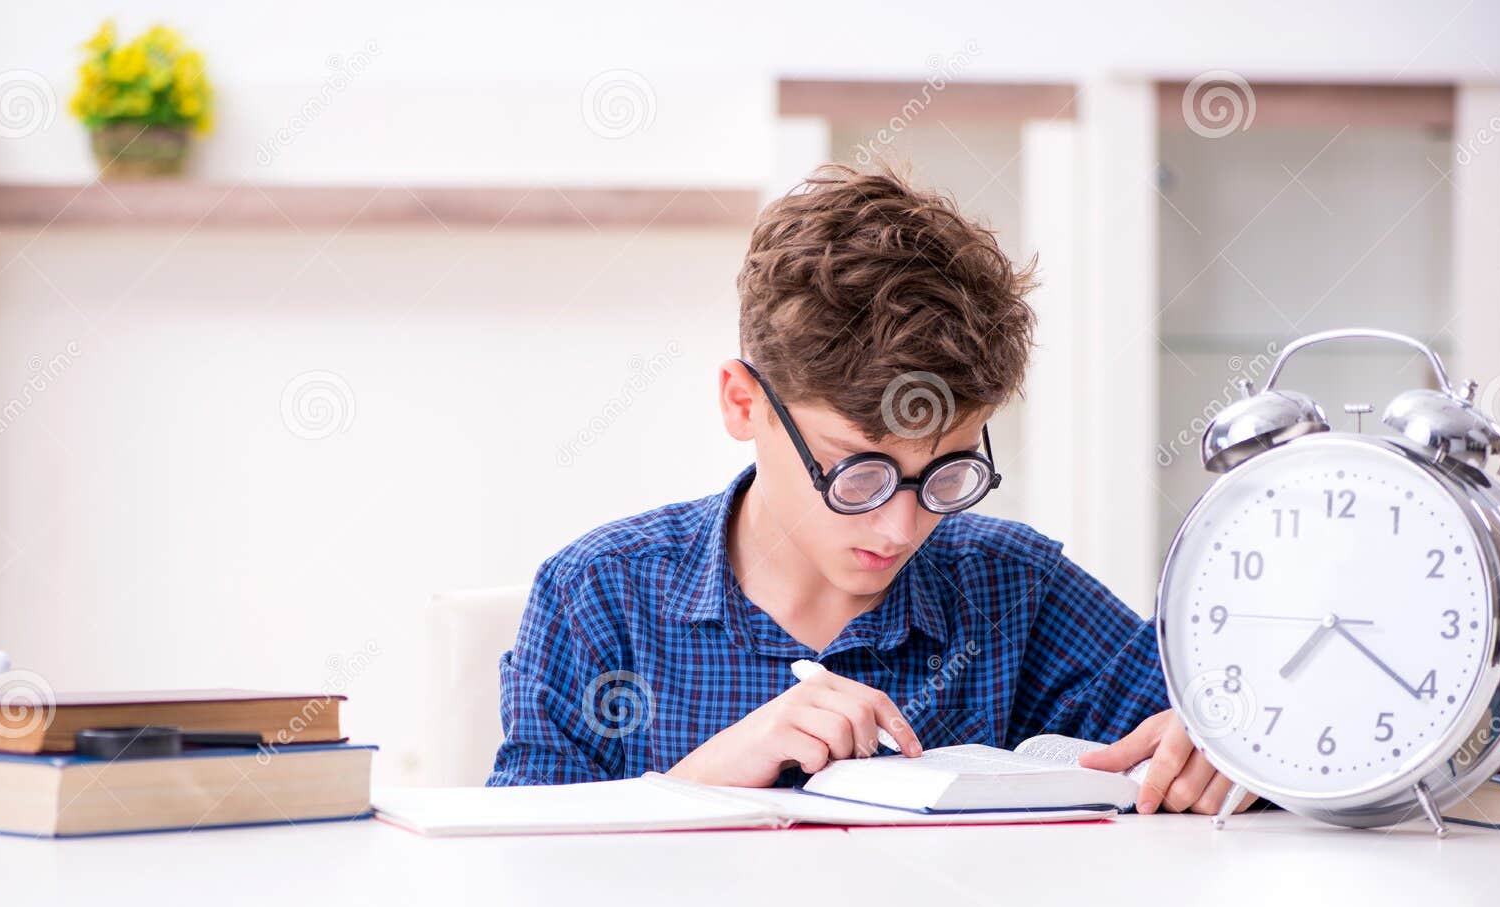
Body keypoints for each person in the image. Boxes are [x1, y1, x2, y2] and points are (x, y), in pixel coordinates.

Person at [489, 164, 1254, 817]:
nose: (898, 528)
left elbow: (1237, 724)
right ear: (743, 404)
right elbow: (516, 874)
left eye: (948, 472)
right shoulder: (600, 596)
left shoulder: (1013, 591)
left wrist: (1225, 747)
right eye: (859, 470)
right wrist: (711, 781)